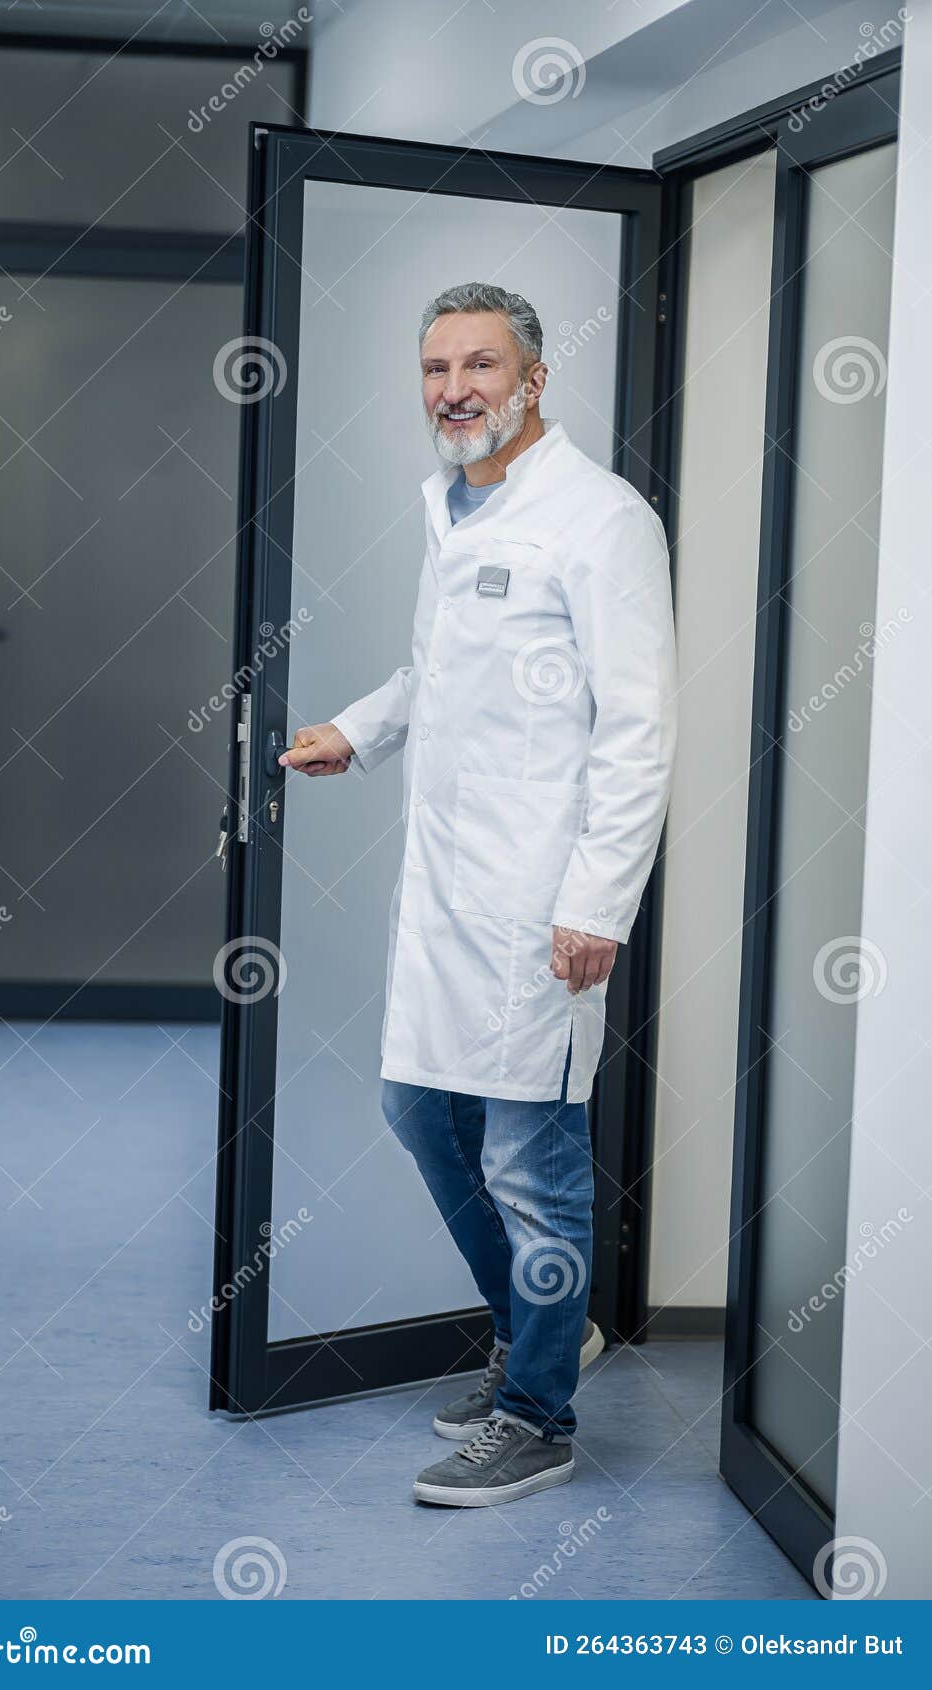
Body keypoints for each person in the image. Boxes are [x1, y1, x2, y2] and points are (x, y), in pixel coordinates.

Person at [279, 281, 677, 1507]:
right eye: (437, 368)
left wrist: (597, 904)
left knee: (531, 1162)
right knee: (418, 1111)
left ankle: (538, 1410)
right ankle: (541, 1326)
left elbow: (641, 726)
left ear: (534, 379)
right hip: (446, 896)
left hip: (542, 906)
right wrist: (358, 727)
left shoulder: (600, 520)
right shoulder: (455, 509)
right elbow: (436, 673)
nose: (455, 389)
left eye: (480, 366)